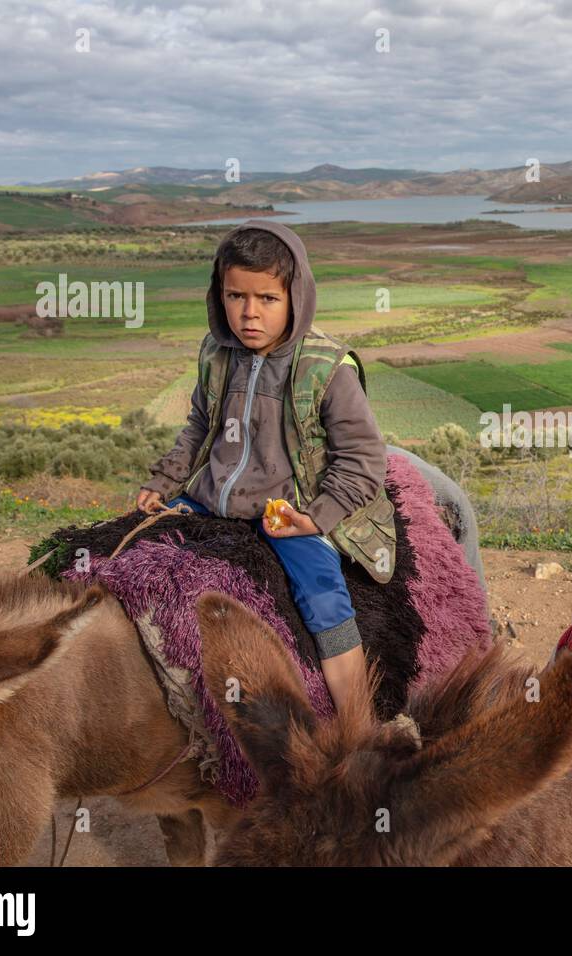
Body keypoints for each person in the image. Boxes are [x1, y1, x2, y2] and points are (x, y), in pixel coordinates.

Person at [137, 220, 393, 718]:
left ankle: (358, 724)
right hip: (211, 498)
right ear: (219, 294)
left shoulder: (326, 368)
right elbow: (198, 426)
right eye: (236, 296)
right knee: (138, 550)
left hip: (286, 510)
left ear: (296, 297)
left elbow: (363, 458)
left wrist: (318, 517)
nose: (249, 313)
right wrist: (164, 481)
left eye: (267, 299)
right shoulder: (216, 354)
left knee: (323, 598)